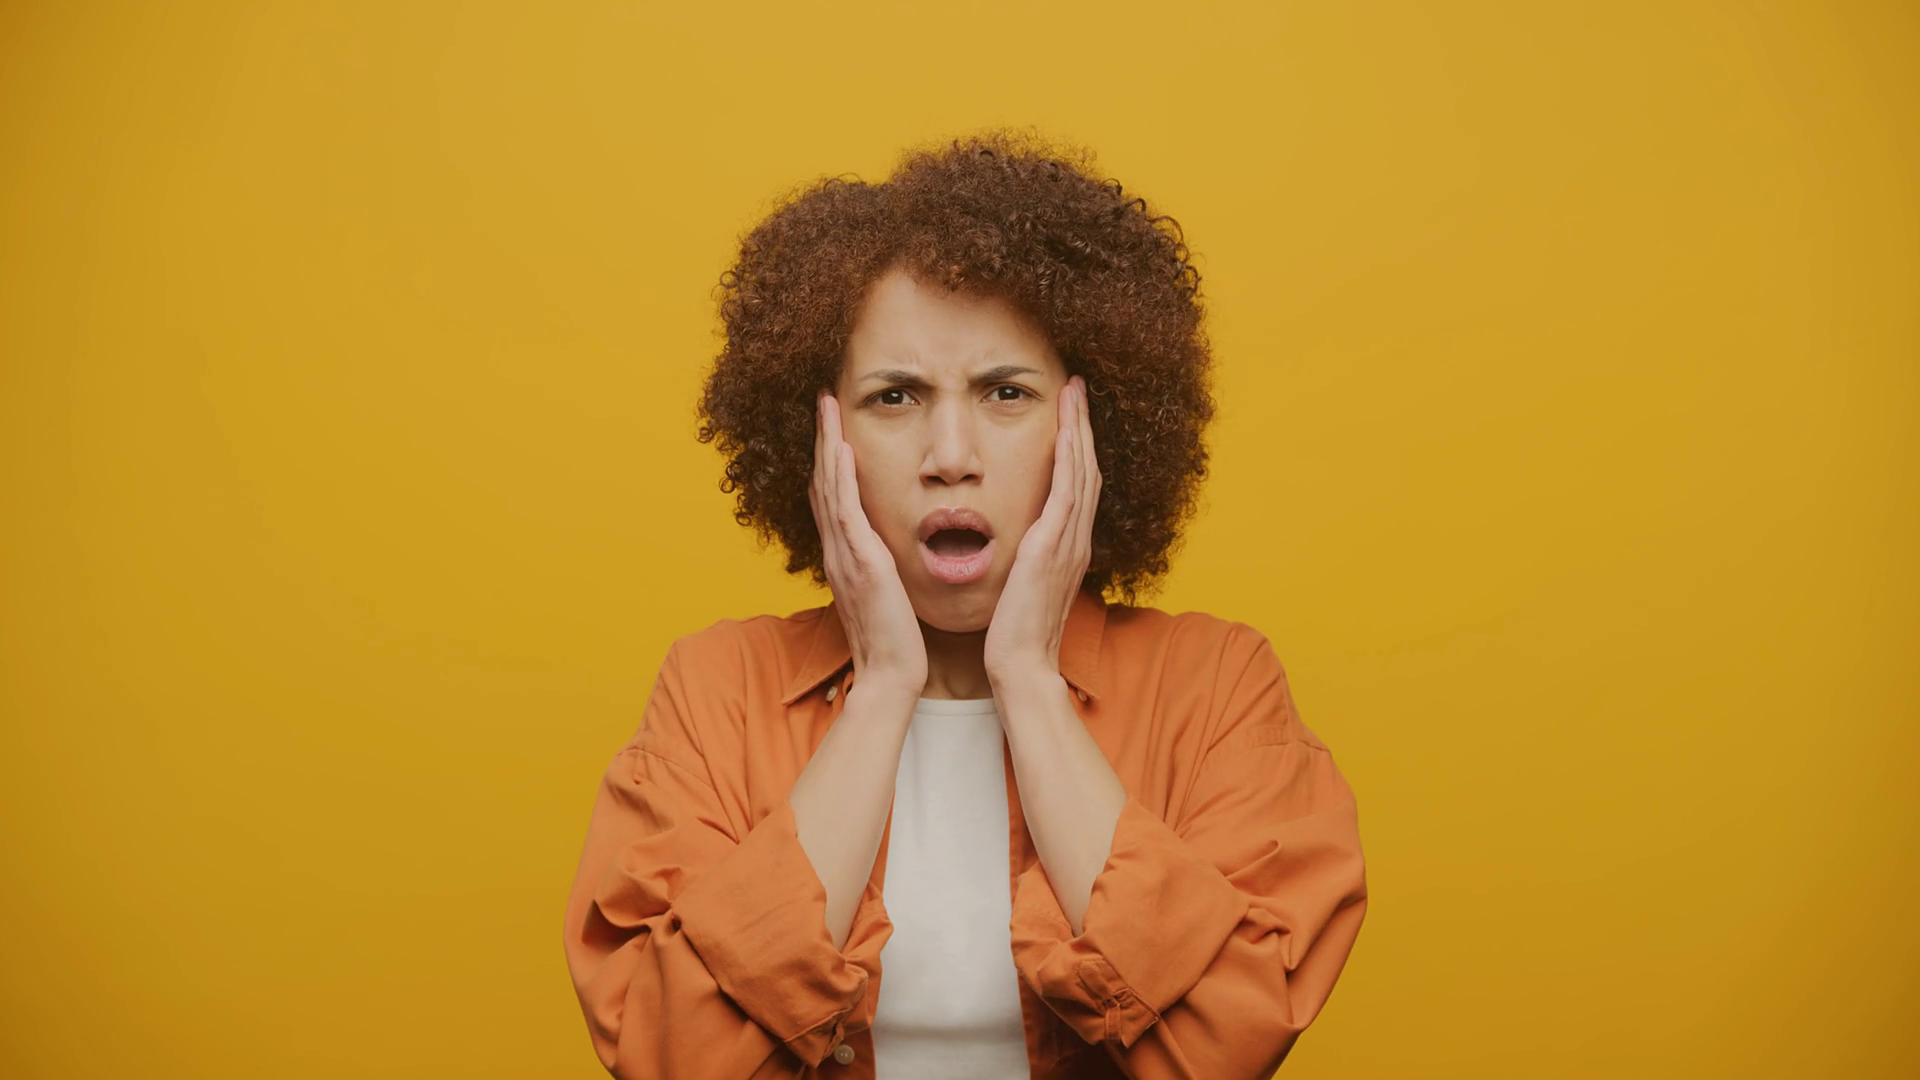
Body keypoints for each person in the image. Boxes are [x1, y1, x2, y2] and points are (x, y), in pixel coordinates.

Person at [561, 130, 1368, 1080]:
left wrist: (1026, 676)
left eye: (1005, 393)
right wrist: (884, 686)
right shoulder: (716, 691)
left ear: (1091, 427)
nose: (950, 451)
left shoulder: (1218, 686)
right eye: (895, 397)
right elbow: (671, 1052)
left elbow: (1224, 1044)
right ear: (822, 437)